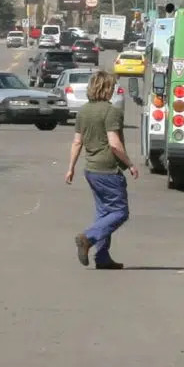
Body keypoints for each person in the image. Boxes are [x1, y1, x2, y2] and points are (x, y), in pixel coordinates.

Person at [65, 70, 138, 269]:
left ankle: (102, 257)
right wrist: (130, 164)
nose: (114, 90)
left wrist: (70, 168)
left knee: (104, 213)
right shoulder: (111, 111)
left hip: (90, 169)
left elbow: (77, 142)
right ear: (106, 89)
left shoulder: (84, 111)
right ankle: (87, 238)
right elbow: (114, 144)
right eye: (112, 87)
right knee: (120, 212)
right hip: (108, 169)